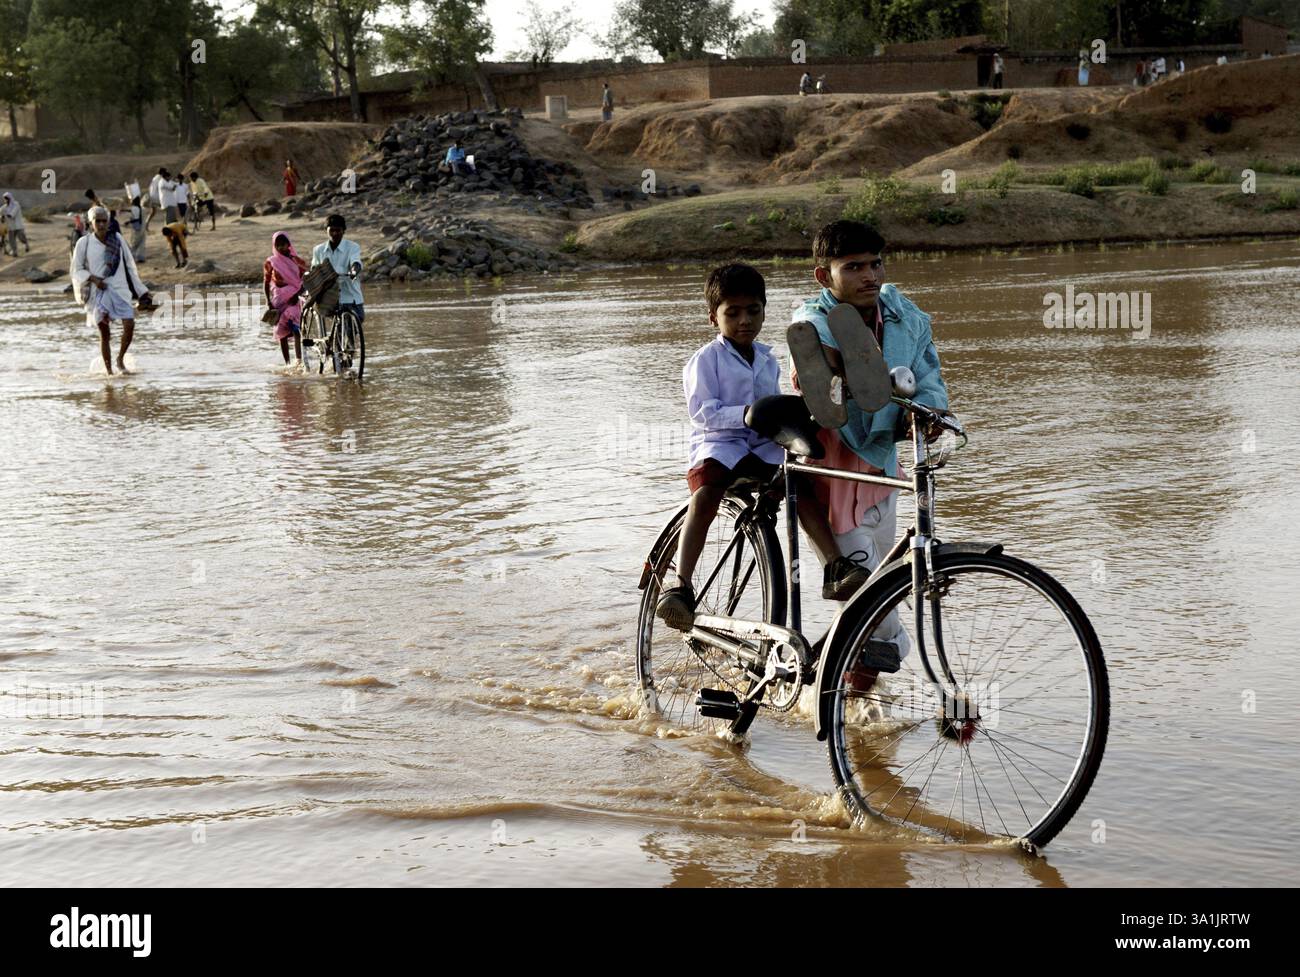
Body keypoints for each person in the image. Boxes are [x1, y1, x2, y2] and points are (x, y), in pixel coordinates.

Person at [655, 263, 864, 632]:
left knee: (802, 485)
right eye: (731, 313)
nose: (744, 321)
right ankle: (680, 586)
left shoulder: (767, 359)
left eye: (753, 311)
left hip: (762, 448)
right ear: (713, 318)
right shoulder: (706, 359)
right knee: (705, 495)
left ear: (765, 311)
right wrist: (747, 413)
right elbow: (702, 412)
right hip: (719, 445)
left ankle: (834, 566)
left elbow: (773, 408)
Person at [790, 220, 951, 684]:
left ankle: (856, 717)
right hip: (834, 468)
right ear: (825, 277)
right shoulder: (812, 312)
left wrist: (931, 412)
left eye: (876, 263)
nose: (870, 276)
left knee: (884, 588)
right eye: (853, 267)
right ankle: (838, 360)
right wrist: (821, 367)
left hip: (882, 468)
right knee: (871, 593)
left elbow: (930, 375)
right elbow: (805, 326)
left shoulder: (905, 317)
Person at [70, 205, 152, 375]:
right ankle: (109, 372)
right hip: (98, 293)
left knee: (129, 325)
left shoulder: (117, 239)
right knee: (104, 332)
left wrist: (141, 290)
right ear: (90, 223)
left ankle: (120, 359)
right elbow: (76, 269)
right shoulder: (83, 243)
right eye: (97, 221)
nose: (101, 224)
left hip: (120, 289)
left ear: (108, 222)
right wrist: (94, 279)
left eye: (104, 221)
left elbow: (130, 265)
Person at [310, 213, 363, 328]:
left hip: (351, 295)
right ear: (326, 230)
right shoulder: (318, 250)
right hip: (329, 297)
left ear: (343, 231)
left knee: (358, 321)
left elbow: (356, 262)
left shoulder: (353, 247)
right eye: (331, 230)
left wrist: (353, 272)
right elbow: (314, 268)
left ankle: (344, 342)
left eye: (338, 230)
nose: (334, 233)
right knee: (340, 326)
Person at [263, 231, 307, 367]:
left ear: (289, 244)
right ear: (274, 246)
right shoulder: (271, 262)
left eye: (283, 244)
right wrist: (268, 301)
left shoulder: (297, 261)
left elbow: (305, 280)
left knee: (296, 328)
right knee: (281, 333)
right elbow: (266, 282)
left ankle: (299, 360)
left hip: (295, 299)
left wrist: (297, 294)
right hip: (279, 301)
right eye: (278, 245)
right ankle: (288, 363)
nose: (281, 248)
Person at [1, 192, 29, 256]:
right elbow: (1, 211)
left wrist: (5, 216)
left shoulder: (16, 204)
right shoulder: (4, 207)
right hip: (10, 226)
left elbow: (12, 214)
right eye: (5, 199)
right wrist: (2, 216)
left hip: (18, 225)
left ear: (10, 198)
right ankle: (14, 251)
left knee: (21, 237)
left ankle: (26, 244)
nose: (6, 200)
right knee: (11, 240)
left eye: (7, 199)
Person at [123, 195, 146, 262]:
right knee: (142, 243)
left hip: (137, 228)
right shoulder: (142, 208)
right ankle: (141, 257)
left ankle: (131, 257)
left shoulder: (134, 208)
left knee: (134, 243)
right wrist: (125, 210)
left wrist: (128, 222)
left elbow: (136, 219)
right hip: (142, 228)